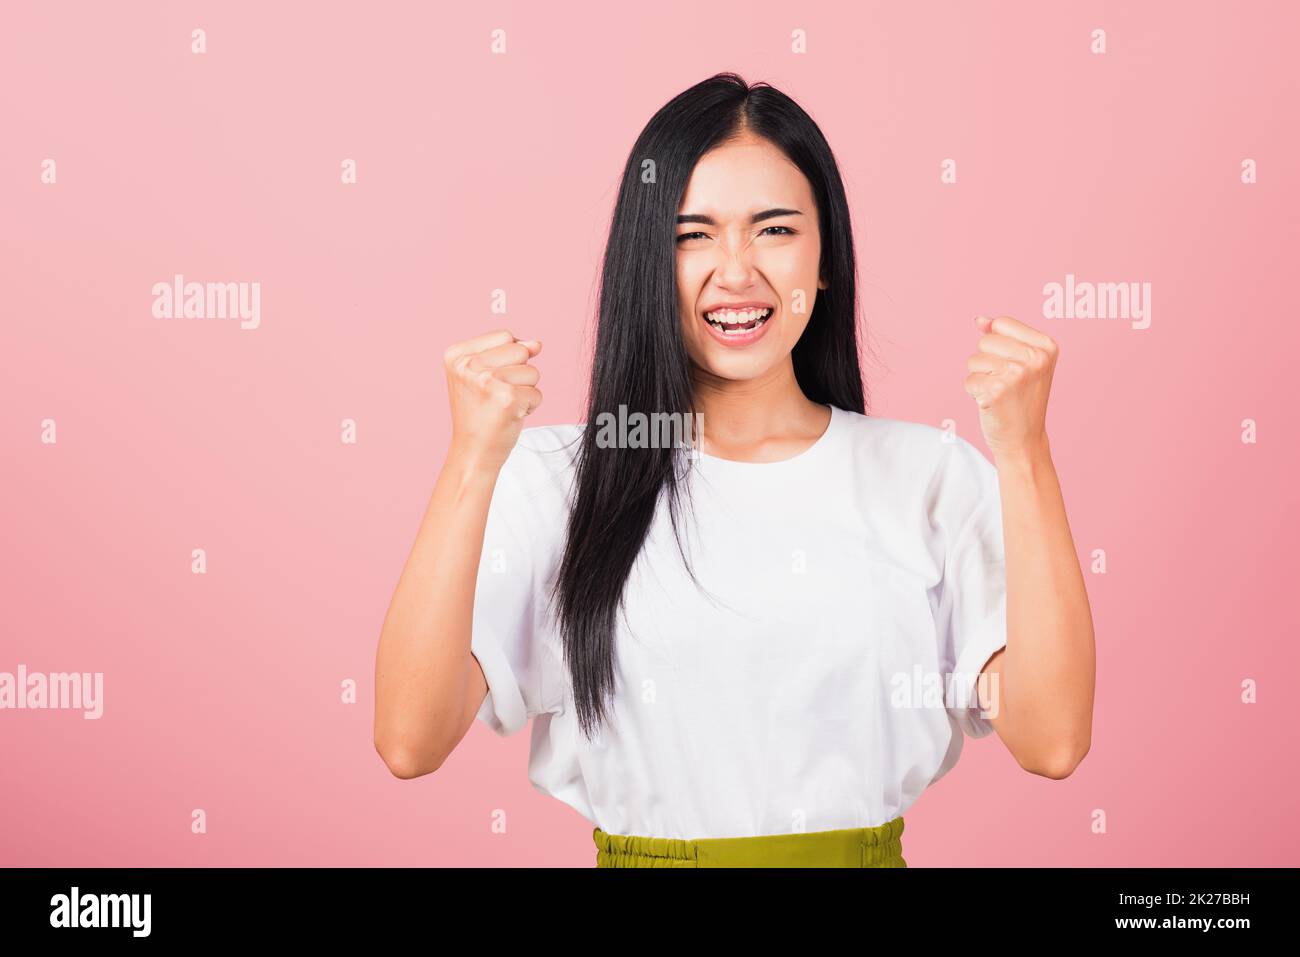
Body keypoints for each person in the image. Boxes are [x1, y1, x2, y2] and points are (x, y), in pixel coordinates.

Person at [373, 72, 1096, 868]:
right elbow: (410, 738)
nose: (737, 270)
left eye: (775, 230)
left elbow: (1052, 738)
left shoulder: (927, 477)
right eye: (693, 235)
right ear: (645, 263)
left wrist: (1025, 455)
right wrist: (471, 460)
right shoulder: (558, 481)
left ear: (826, 259)